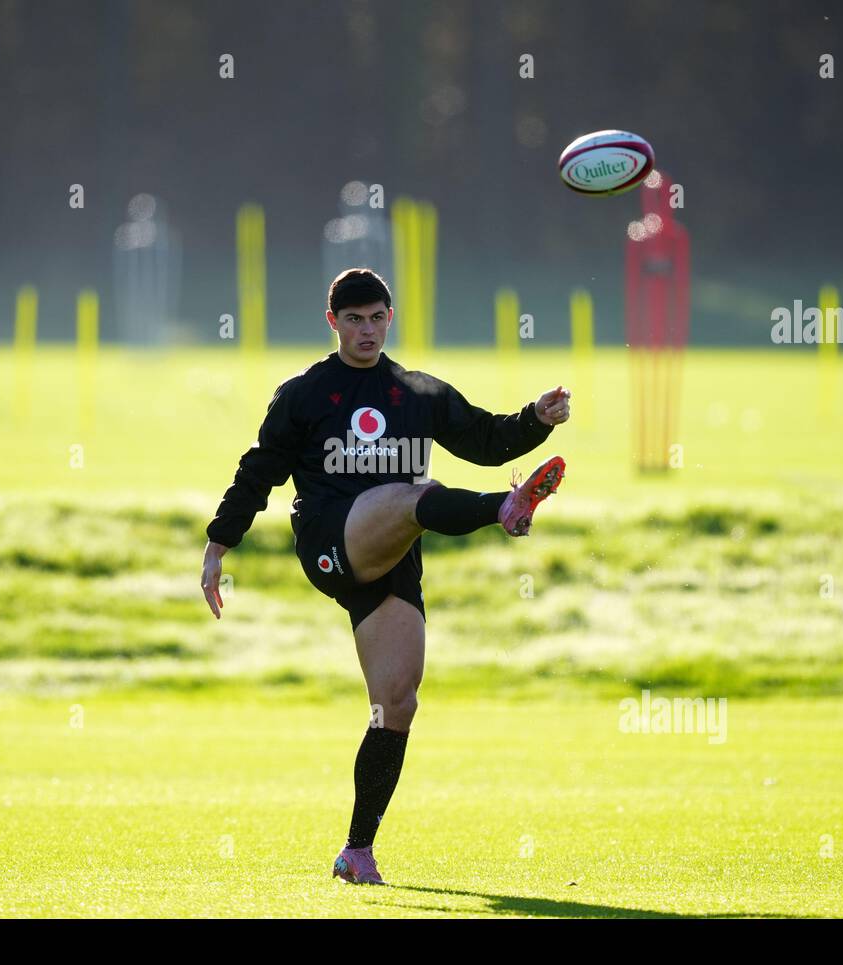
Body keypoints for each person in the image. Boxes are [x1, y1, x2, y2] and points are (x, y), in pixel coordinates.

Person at [201, 268, 570, 884]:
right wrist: (219, 544)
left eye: (376, 318)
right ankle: (502, 509)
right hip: (329, 541)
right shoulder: (304, 394)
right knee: (411, 493)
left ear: (389, 319)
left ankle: (357, 851)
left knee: (395, 704)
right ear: (333, 323)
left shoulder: (416, 391)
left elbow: (483, 438)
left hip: (390, 558)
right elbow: (258, 471)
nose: (366, 330)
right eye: (353, 320)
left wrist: (537, 418)